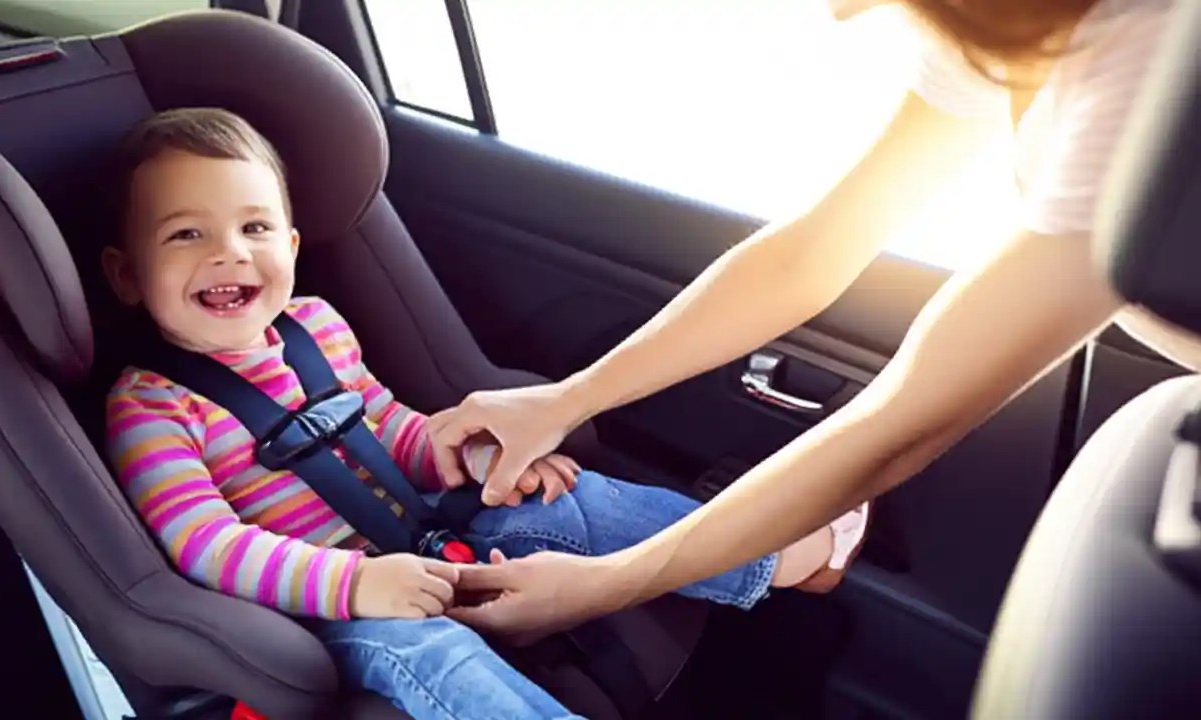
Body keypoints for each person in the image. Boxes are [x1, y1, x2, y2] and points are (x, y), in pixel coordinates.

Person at [432, 0, 1186, 639]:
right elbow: (817, 250)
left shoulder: (1147, 56)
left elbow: (907, 420)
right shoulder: (990, 29)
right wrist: (569, 398)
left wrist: (601, 586)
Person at [98, 107, 862, 720]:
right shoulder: (151, 404)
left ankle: (785, 559)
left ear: (292, 244)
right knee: (430, 656)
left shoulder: (315, 326)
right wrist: (358, 587)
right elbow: (204, 544)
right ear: (128, 274)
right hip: (322, 605)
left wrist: (475, 462)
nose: (230, 253)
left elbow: (385, 425)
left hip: (427, 524)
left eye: (255, 228)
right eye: (187, 234)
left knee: (577, 502)